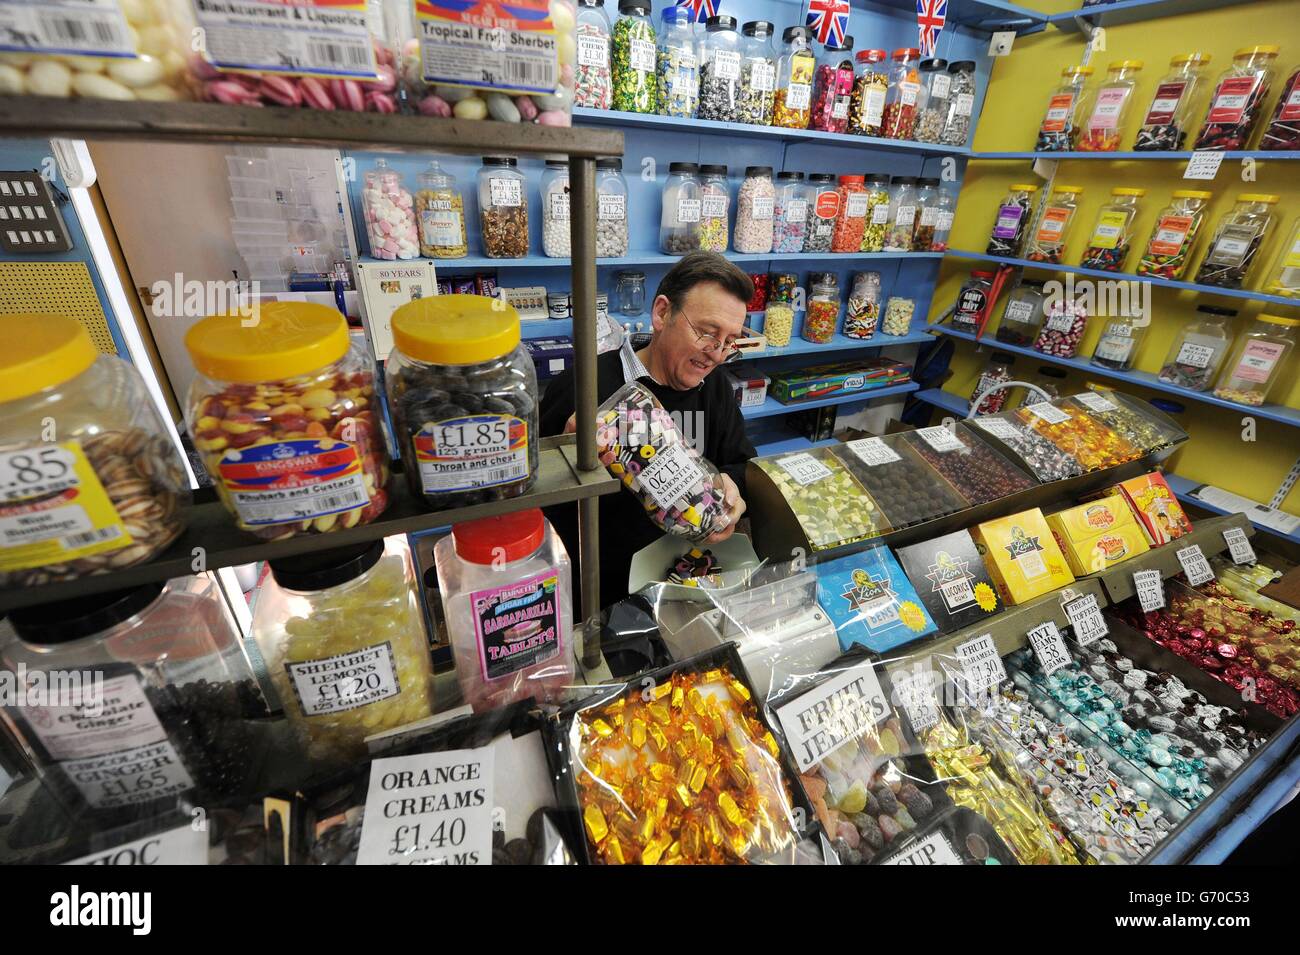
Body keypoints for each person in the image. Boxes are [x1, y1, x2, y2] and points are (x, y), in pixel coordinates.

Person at [539, 251, 756, 611]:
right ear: (661, 313)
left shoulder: (714, 387)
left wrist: (733, 492)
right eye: (707, 333)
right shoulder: (584, 386)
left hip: (685, 580)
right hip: (599, 591)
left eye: (729, 342)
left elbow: (739, 462)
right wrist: (569, 459)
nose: (717, 354)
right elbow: (538, 503)